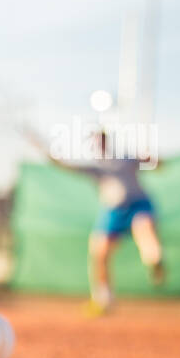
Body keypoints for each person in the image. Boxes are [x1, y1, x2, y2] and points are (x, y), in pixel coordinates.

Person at [24, 127, 165, 315]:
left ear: (107, 142)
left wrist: (152, 158)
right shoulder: (95, 167)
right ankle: (104, 299)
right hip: (114, 210)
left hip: (138, 205)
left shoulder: (127, 159)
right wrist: (45, 151)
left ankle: (154, 260)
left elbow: (158, 165)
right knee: (99, 252)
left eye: (101, 141)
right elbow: (65, 165)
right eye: (95, 142)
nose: (98, 145)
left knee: (144, 229)